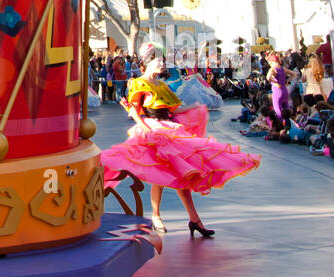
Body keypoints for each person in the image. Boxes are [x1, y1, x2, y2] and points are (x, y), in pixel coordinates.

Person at [100, 53, 261, 237]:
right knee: (160, 175)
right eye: (158, 61)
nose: (162, 64)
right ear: (148, 63)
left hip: (169, 128)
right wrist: (146, 128)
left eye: (162, 61)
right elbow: (134, 112)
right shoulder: (139, 83)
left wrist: (196, 108)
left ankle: (194, 219)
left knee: (183, 176)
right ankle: (156, 215)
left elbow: (175, 109)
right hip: (152, 129)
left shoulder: (162, 85)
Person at [265, 50, 292, 126]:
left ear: (272, 62)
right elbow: (294, 74)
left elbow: (268, 77)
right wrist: (287, 81)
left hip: (277, 91)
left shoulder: (273, 69)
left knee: (278, 110)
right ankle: (289, 124)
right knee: (286, 109)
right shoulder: (283, 68)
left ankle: (281, 125)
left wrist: (275, 82)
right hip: (285, 90)